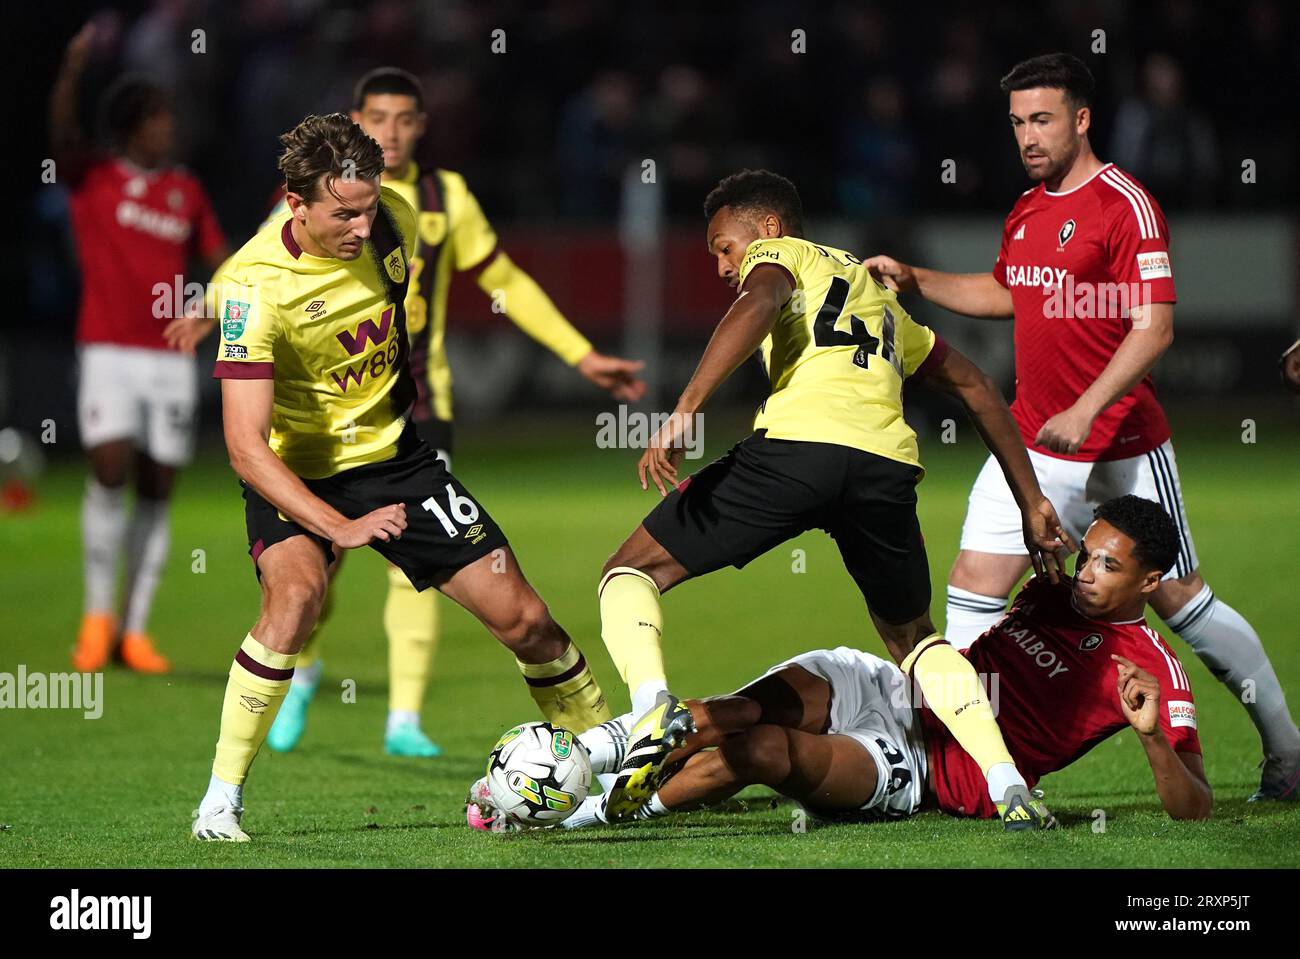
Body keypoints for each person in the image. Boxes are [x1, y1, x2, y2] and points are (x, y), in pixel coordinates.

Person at [865, 52, 1299, 801]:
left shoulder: (1125, 204)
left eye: (1041, 119)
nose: (1028, 137)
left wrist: (1089, 405)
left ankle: (1288, 753)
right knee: (973, 589)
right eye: (1016, 123)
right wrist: (918, 279)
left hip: (1125, 448)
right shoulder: (1029, 208)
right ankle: (970, 761)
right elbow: (1009, 291)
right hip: (1033, 440)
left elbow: (1155, 328)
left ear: (1082, 118)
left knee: (1181, 602)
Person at [594, 168, 1076, 829]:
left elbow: (758, 302)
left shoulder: (781, 254)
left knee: (629, 570)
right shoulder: (877, 299)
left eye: (723, 246)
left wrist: (684, 408)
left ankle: (651, 707)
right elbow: (975, 384)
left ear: (766, 227)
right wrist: (1031, 500)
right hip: (885, 468)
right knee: (914, 638)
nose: (722, 265)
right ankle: (1006, 783)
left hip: (798, 451)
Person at [191, 114, 610, 842]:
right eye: (342, 213)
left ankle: (623, 763)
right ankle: (219, 802)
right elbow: (243, 447)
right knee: (295, 600)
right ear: (295, 205)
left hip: (397, 461)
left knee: (528, 620)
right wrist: (338, 527)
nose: (362, 224)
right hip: (295, 472)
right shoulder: (256, 288)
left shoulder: (396, 222)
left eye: (368, 204)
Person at [262, 67, 645, 758]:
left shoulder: (445, 196)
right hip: (321, 418)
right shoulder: (321, 199)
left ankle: (403, 718)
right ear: (356, 119)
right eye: (379, 116)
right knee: (320, 563)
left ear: (422, 126)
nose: (393, 131)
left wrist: (582, 354)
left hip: (417, 404)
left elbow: (503, 280)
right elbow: (258, 276)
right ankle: (303, 673)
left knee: (416, 558)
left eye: (407, 118)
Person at [546, 496, 1212, 830]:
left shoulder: (1152, 669)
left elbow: (1195, 806)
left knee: (758, 750)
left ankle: (593, 811)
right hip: (889, 684)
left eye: (1109, 565)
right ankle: (566, 765)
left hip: (926, 767)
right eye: (1088, 554)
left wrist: (1152, 737)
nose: (1086, 574)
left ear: (1151, 582)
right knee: (731, 710)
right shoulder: (1049, 589)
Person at [52, 23, 228, 674]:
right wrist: (72, 71)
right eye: (157, 120)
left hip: (169, 356)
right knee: (108, 468)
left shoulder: (186, 190)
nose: (167, 131)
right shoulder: (94, 176)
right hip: (108, 349)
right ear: (132, 126)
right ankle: (97, 618)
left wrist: (211, 308)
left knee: (158, 487)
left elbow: (221, 260)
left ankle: (136, 628)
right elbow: (63, 136)